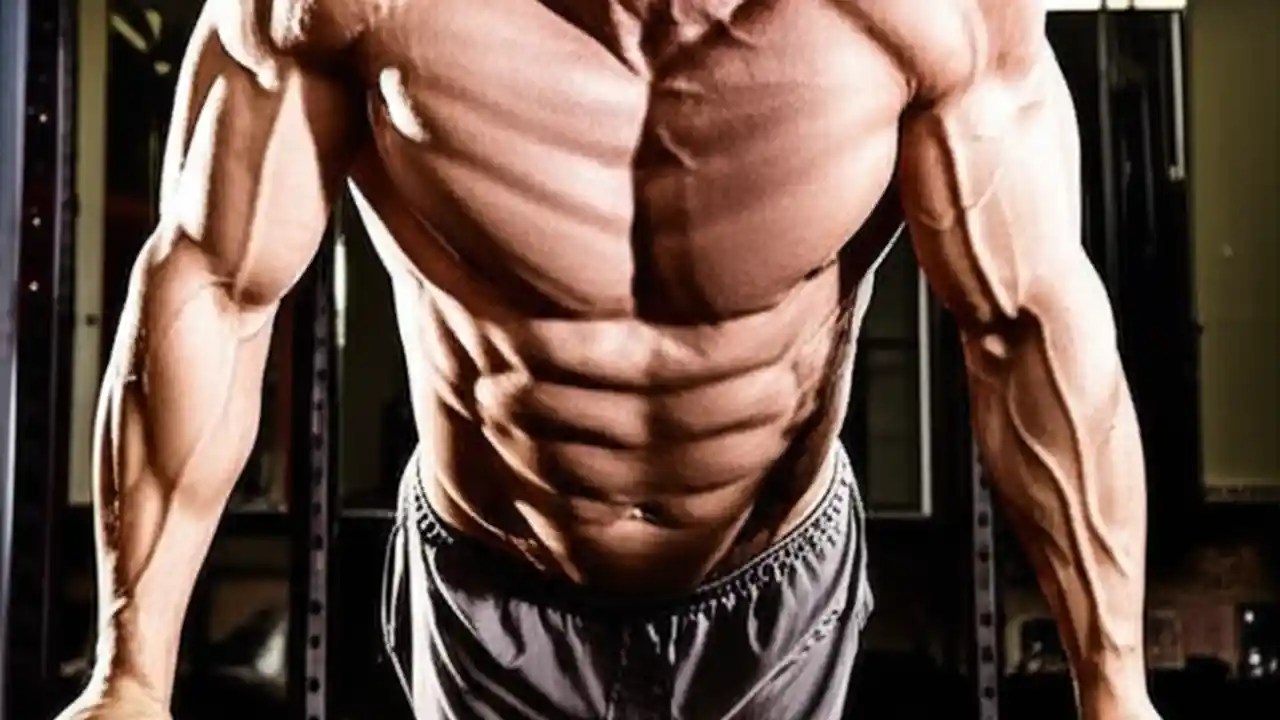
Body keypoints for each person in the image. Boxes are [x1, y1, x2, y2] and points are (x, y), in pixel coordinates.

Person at [57, 0, 1162, 718]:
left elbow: (1023, 331)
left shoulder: (936, 17)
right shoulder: (341, 12)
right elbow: (211, 287)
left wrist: (1112, 690)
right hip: (492, 578)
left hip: (770, 581)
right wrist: (131, 674)